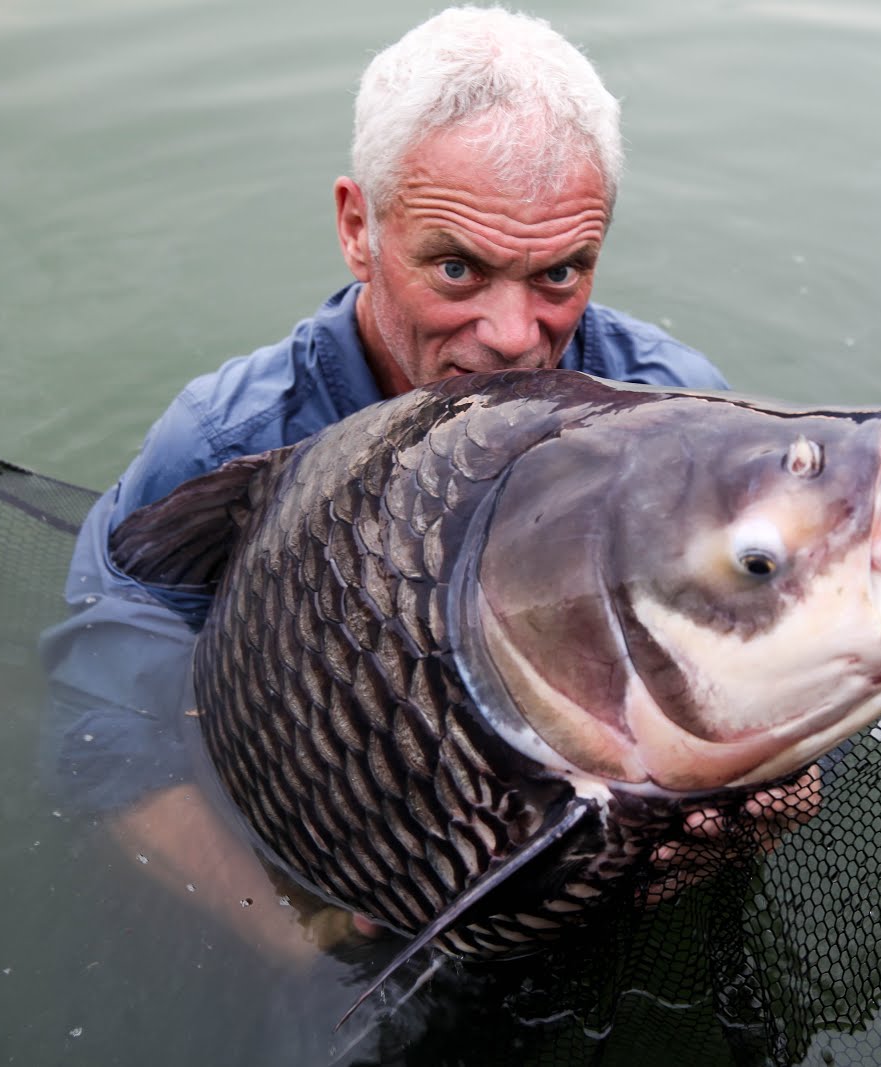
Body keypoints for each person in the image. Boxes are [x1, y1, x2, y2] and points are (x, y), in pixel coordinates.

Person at [41, 5, 816, 973]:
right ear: (358, 228)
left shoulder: (673, 414)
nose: (514, 336)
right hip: (334, 877)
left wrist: (779, 776)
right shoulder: (226, 439)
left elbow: (783, 629)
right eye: (457, 269)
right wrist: (297, 933)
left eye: (559, 273)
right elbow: (103, 729)